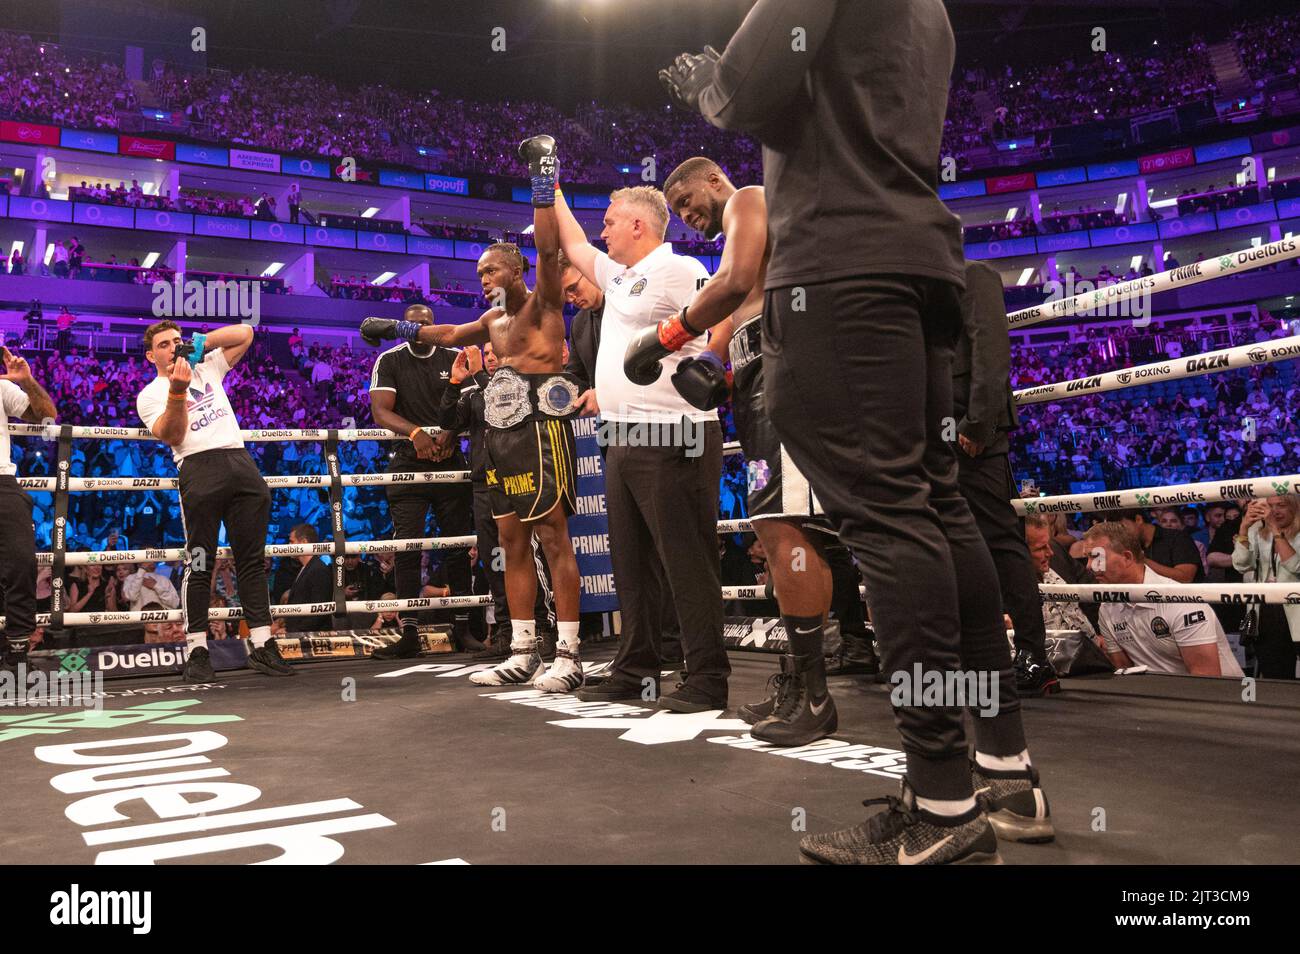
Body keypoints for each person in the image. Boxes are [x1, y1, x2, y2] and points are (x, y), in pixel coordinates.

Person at [667, 0, 1044, 863]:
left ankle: (944, 805)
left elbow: (742, 92)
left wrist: (704, 86)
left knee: (890, 520)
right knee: (940, 512)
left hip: (842, 270)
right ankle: (1003, 769)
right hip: (916, 262)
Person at [361, 135, 584, 694]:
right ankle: (523, 649)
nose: (483, 278)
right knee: (509, 541)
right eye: (480, 272)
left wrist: (542, 178)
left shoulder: (543, 302)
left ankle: (571, 653)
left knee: (553, 538)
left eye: (491, 270)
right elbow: (447, 333)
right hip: (500, 433)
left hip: (541, 427)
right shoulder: (492, 321)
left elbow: (552, 250)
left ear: (515, 269)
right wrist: (397, 329)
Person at [651, 154, 837, 742]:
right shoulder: (738, 236)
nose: (687, 218)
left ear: (713, 181)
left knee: (789, 528)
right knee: (771, 527)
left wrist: (668, 336)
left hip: (786, 372)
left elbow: (734, 283)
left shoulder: (747, 199)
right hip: (757, 381)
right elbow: (735, 310)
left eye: (686, 204)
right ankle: (796, 679)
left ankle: (814, 695)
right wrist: (709, 361)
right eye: (678, 213)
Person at [551, 173, 727, 712]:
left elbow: (722, 314)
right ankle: (636, 667)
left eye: (609, 222)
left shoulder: (679, 268)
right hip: (623, 437)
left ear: (637, 224)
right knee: (631, 562)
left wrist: (712, 364)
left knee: (686, 560)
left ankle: (707, 676)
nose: (601, 233)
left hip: (675, 433)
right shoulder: (624, 278)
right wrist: (548, 182)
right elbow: (574, 244)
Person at [136, 320, 291, 680]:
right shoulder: (151, 393)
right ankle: (198, 650)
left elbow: (246, 333)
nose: (172, 347)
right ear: (150, 355)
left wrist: (197, 345)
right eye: (164, 344)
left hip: (239, 462)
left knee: (252, 559)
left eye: (176, 341)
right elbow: (173, 435)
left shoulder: (206, 366)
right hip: (198, 467)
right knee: (200, 560)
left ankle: (264, 644)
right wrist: (177, 390)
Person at [953, 261, 1058, 696]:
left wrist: (979, 423)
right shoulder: (917, 281)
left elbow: (991, 350)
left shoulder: (974, 274)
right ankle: (975, 655)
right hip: (929, 432)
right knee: (951, 545)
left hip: (969, 432)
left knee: (999, 540)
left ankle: (1034, 654)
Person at [365, 301, 478, 658]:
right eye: (411, 325)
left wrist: (448, 431)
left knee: (458, 546)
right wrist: (416, 432)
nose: (418, 331)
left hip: (450, 458)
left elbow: (473, 401)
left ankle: (464, 628)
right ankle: (410, 632)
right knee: (409, 547)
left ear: (433, 325)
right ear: (403, 326)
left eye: (424, 325)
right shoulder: (391, 360)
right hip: (407, 462)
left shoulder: (455, 355)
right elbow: (381, 409)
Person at [1085, 520, 1243, 677]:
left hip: (1220, 696)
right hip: (1154, 695)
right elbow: (1124, 669)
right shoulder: (1107, 607)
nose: (1089, 566)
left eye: (1096, 557)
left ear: (1127, 557)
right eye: (1087, 558)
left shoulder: (1180, 601)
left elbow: (1206, 678)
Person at [0, 345, 56, 667]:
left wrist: (28, 381)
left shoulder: (3, 388)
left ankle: (18, 652)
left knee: (21, 563)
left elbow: (47, 416)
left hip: (2, 483)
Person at [1232, 497, 1300, 679]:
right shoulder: (1259, 531)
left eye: (1281, 505)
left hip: (1296, 609)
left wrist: (1276, 531)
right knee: (1276, 676)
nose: (1275, 511)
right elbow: (1241, 564)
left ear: (1294, 507)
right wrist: (1244, 528)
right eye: (1270, 506)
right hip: (1266, 611)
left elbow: (1296, 566)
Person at [1025, 516, 1098, 645]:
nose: (1050, 552)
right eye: (1040, 549)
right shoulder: (1007, 586)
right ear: (1021, 552)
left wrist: (1100, 632)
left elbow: (1088, 586)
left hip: (1092, 649)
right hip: (1052, 658)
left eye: (1048, 543)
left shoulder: (1056, 551)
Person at [280, 524, 333, 634]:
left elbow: (320, 612)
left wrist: (290, 631)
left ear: (304, 543)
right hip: (300, 635)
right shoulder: (306, 568)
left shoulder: (318, 569)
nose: (288, 546)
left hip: (311, 638)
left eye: (292, 542)